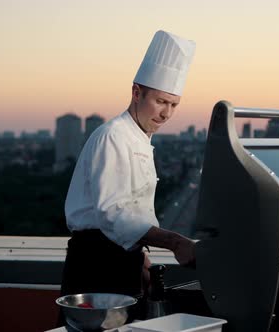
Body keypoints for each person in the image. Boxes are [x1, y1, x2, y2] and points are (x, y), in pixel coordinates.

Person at [60, 30, 197, 302]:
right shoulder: (113, 135)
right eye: (160, 101)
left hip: (122, 258)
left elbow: (133, 209)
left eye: (173, 105)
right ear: (136, 92)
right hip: (95, 262)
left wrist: (139, 257)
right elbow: (113, 213)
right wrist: (175, 242)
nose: (166, 113)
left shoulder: (140, 138)